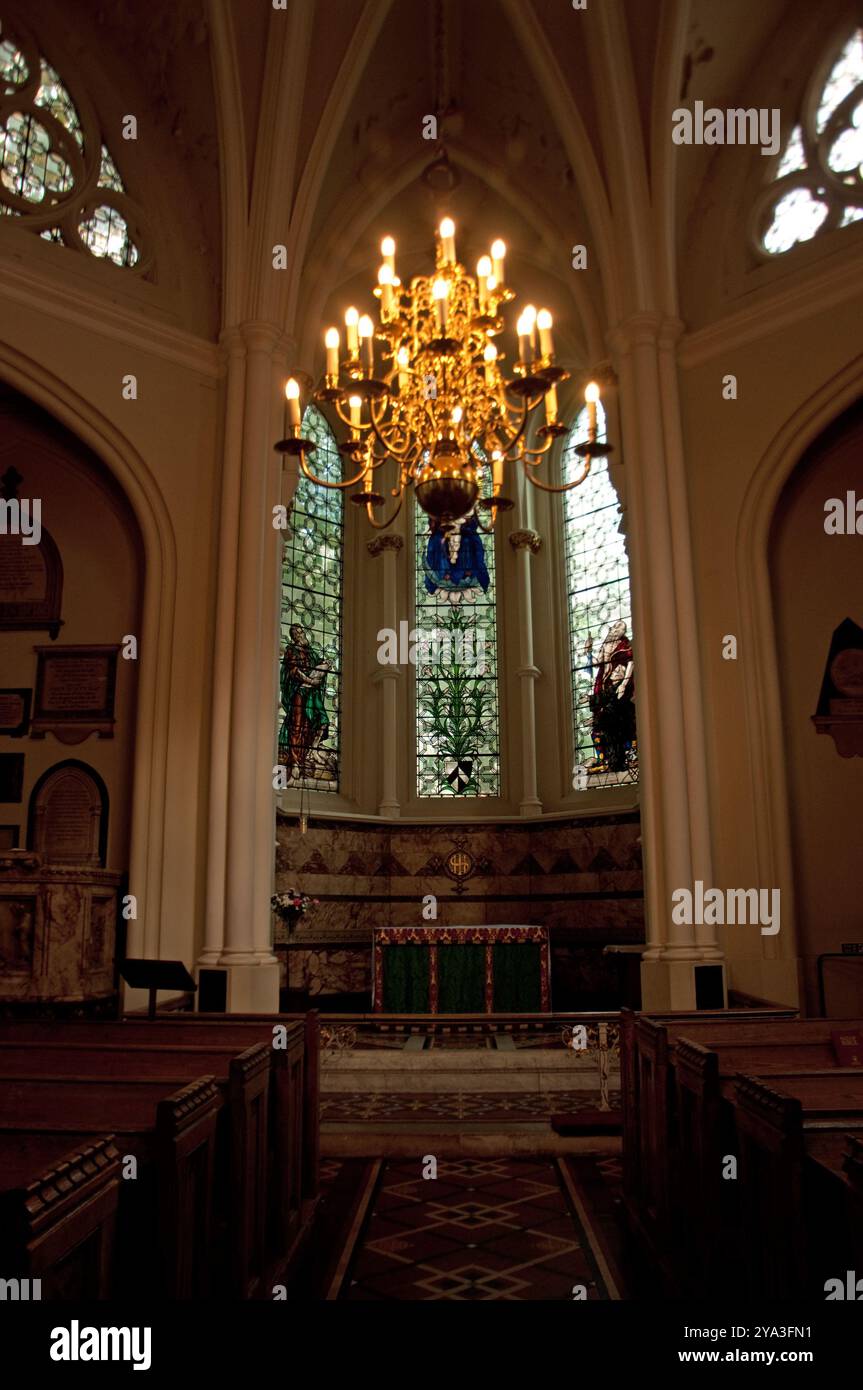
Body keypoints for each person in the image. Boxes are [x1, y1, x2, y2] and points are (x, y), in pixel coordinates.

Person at [278, 623, 331, 778]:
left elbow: (318, 663)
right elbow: (293, 671)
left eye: (302, 632)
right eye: (298, 634)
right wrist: (309, 680)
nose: (301, 636)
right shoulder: (291, 651)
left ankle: (312, 750)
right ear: (293, 637)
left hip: (312, 692)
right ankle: (295, 762)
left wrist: (326, 664)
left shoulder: (310, 652)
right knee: (297, 724)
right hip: (298, 691)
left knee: (321, 720)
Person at [587, 620, 636, 773]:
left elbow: (631, 663)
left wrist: (624, 684)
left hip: (618, 686)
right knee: (602, 722)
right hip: (604, 686)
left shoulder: (625, 645)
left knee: (617, 720)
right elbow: (597, 664)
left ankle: (625, 757)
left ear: (623, 632)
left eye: (619, 628)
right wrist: (589, 651)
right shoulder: (605, 645)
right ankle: (607, 759)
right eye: (614, 626)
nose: (614, 629)